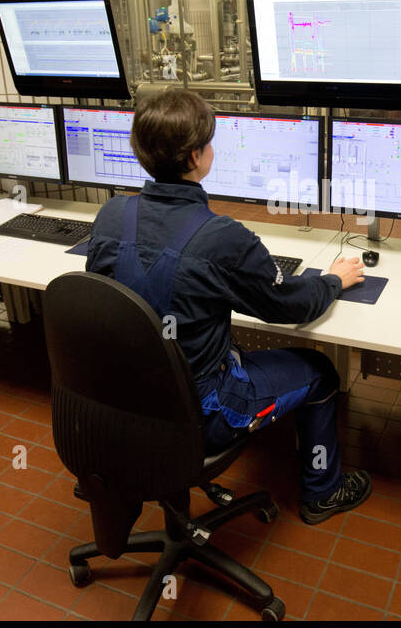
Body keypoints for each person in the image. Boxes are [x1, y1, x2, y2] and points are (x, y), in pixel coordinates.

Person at [85, 89, 372, 524]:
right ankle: (323, 492)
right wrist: (333, 280)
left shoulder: (111, 216)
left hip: (122, 404)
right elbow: (290, 306)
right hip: (203, 410)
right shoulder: (222, 237)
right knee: (321, 373)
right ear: (198, 156)